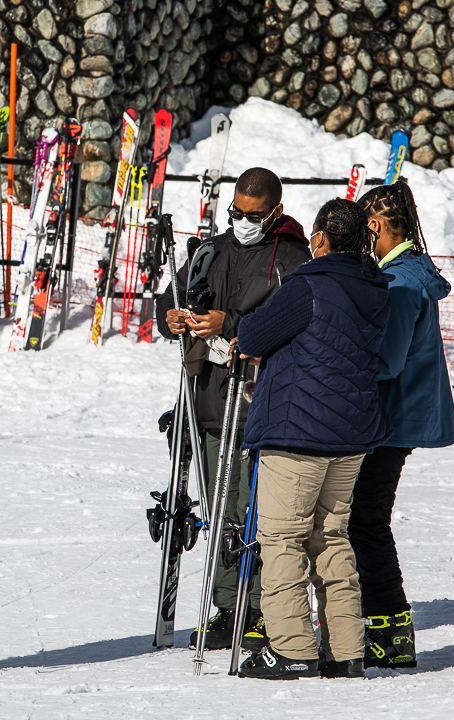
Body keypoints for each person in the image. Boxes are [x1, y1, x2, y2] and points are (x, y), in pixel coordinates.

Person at [234, 198, 392, 680]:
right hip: (351, 435)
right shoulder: (375, 287)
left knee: (281, 538)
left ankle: (292, 647)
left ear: (320, 239)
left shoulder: (308, 286)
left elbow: (254, 337)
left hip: (298, 431)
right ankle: (346, 650)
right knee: (331, 536)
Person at [155, 167, 311, 652]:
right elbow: (172, 296)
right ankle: (228, 606)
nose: (243, 222)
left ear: (275, 212)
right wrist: (173, 316)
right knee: (222, 510)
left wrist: (233, 322)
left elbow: (297, 321)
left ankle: (263, 607)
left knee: (257, 512)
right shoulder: (210, 250)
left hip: (260, 401)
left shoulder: (292, 257)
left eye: (254, 215)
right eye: (236, 213)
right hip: (208, 397)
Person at [352, 178, 454, 670]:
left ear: (374, 226)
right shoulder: (410, 269)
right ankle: (381, 624)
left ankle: (389, 628)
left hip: (390, 419)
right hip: (398, 417)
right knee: (364, 521)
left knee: (364, 522)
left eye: (360, 230)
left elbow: (387, 362)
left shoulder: (399, 282)